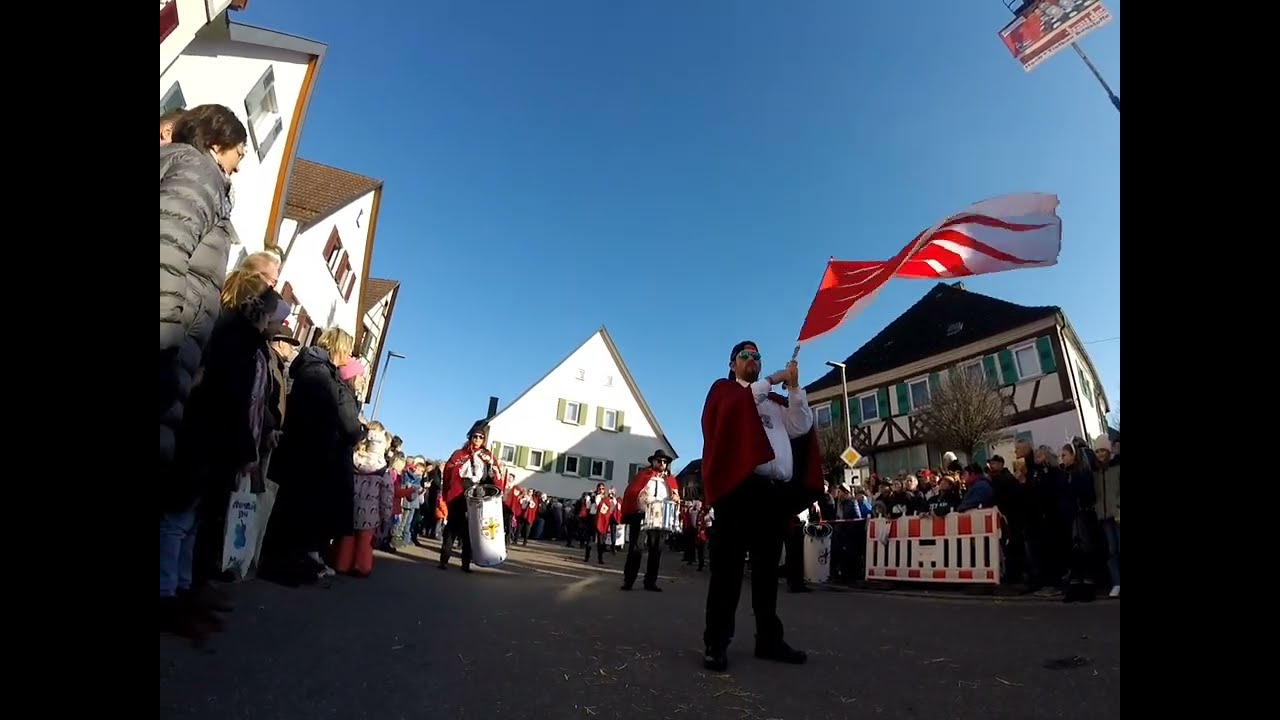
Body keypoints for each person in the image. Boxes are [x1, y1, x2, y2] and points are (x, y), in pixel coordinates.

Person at [700, 341, 823, 673]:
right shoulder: (727, 392)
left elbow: (800, 425)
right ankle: (716, 641)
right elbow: (733, 410)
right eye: (746, 356)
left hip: (774, 493)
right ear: (732, 363)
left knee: (768, 572)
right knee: (728, 571)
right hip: (740, 490)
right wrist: (772, 378)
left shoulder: (772, 401)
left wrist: (794, 388)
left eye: (756, 356)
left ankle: (768, 639)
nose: (752, 360)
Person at [438, 421, 501, 572]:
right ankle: (444, 559)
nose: (478, 439)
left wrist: (493, 470)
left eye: (481, 437)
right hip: (459, 492)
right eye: (475, 436)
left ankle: (466, 562)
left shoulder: (488, 456)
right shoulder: (460, 454)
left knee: (471, 529)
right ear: (470, 437)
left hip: (477, 494)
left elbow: (495, 477)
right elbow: (449, 470)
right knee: (452, 527)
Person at [619, 449, 679, 591]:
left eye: (665, 462)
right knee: (636, 549)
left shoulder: (670, 479)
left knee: (656, 550)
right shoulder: (644, 475)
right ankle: (629, 580)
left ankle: (650, 582)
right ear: (653, 461)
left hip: (660, 517)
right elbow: (633, 491)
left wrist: (676, 498)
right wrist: (642, 497)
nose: (662, 464)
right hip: (642, 515)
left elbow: (675, 496)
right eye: (659, 461)